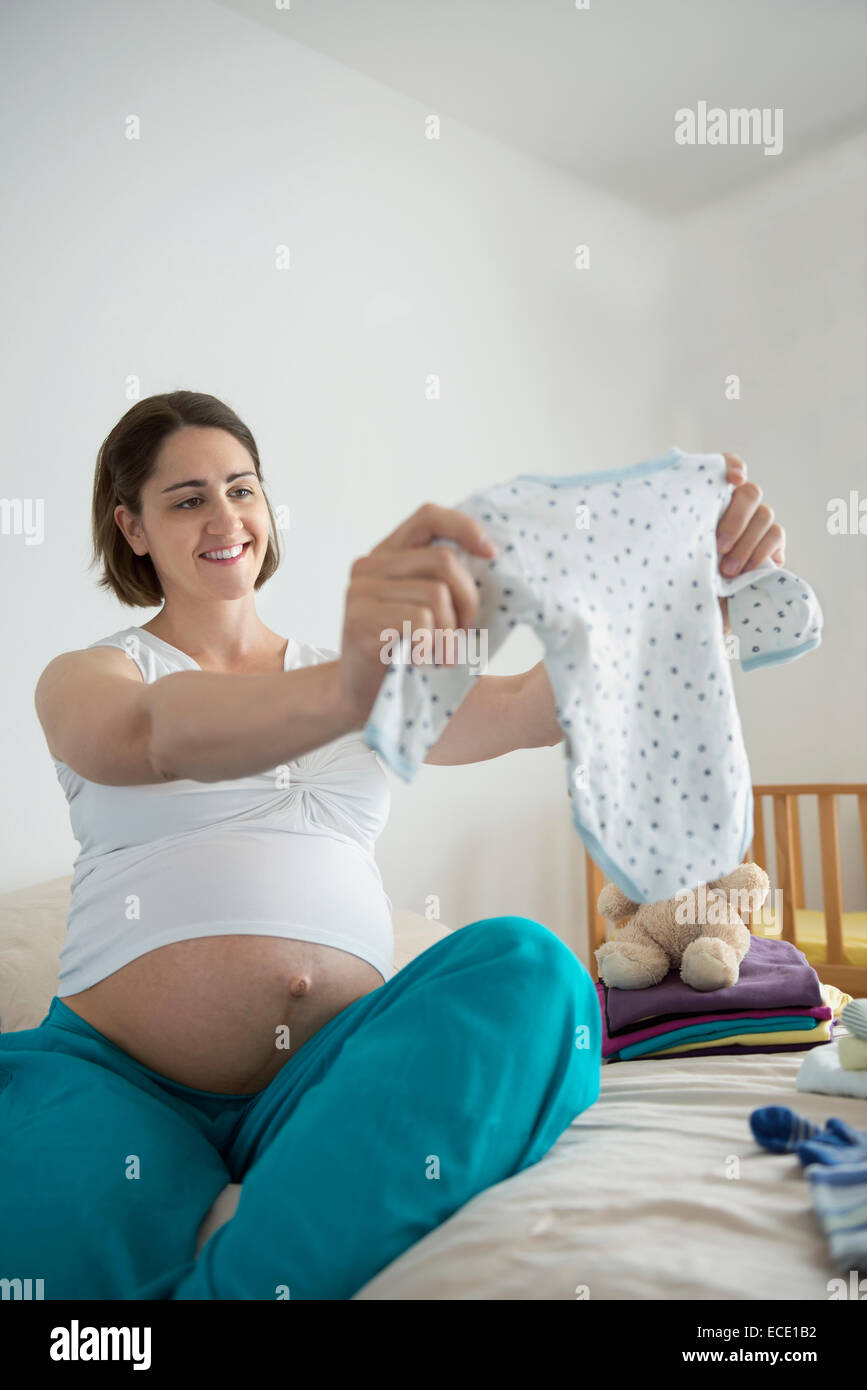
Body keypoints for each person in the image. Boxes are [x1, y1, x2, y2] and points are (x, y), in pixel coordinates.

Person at [0, 391, 785, 1300]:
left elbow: (538, 705)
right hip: (118, 1077)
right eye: (186, 500)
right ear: (131, 526)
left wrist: (691, 600)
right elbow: (144, 735)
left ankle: (245, 1276)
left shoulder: (365, 672)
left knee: (534, 969)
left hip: (334, 1074)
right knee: (43, 1226)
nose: (226, 519)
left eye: (242, 489)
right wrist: (352, 688)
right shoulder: (93, 675)